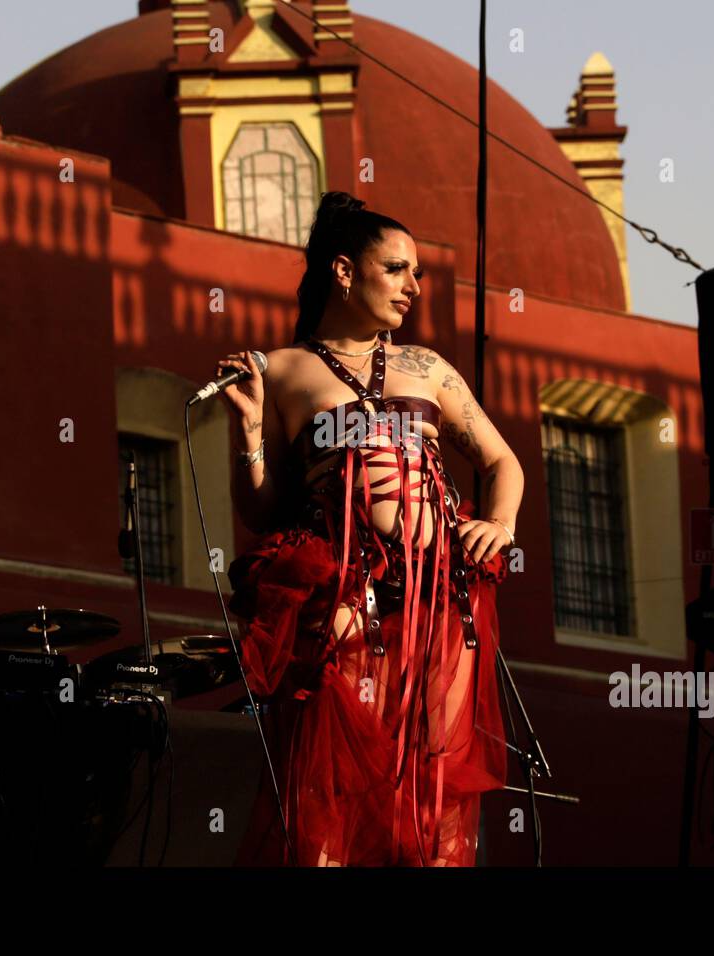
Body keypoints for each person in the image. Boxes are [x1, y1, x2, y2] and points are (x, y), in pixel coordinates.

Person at [216, 191, 525, 866]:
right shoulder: (284, 371)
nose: (413, 288)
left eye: (416, 272)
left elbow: (503, 461)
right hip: (345, 600)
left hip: (440, 599)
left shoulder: (429, 369)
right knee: (329, 791)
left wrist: (497, 525)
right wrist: (246, 430)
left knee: (436, 791)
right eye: (397, 269)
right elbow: (262, 513)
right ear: (345, 271)